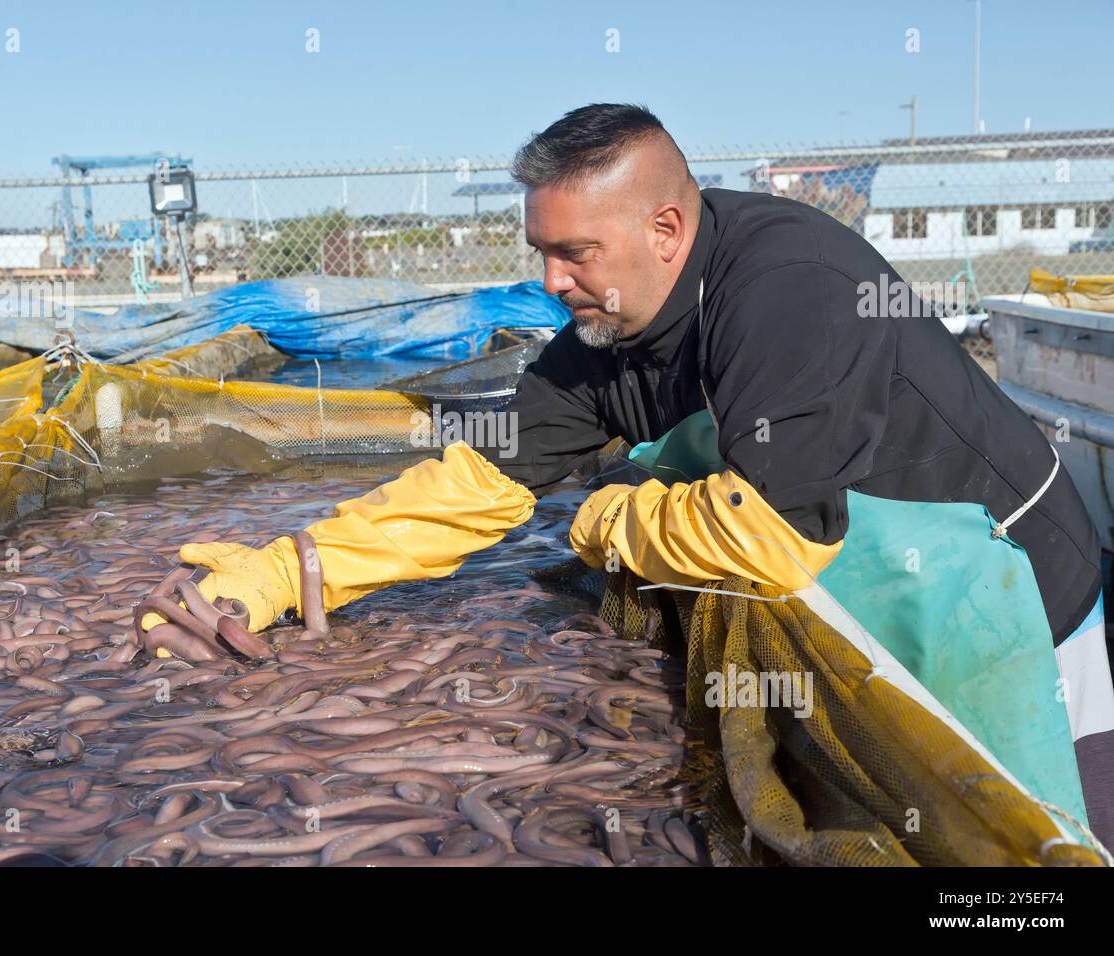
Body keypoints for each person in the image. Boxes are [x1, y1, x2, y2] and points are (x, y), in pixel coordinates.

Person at [168, 103, 1113, 847]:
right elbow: (478, 483)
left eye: (575, 253)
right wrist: (290, 569)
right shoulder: (602, 336)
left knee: (1042, 835)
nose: (548, 280)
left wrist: (609, 521)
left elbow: (775, 538)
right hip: (862, 598)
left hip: (1015, 592)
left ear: (666, 227)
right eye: (540, 250)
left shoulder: (786, 289)